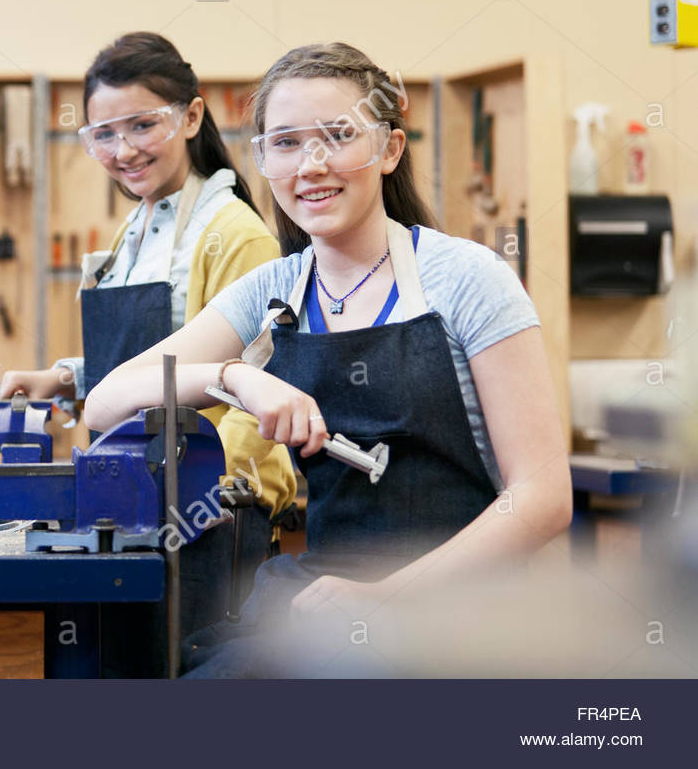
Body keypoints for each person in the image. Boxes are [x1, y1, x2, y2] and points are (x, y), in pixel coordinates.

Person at [83, 42, 572, 677]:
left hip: (465, 612)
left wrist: (387, 598)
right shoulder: (274, 290)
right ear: (263, 159)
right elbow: (105, 400)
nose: (311, 165)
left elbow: (543, 497)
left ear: (389, 150)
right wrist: (236, 380)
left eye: (338, 136)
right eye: (284, 143)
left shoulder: (466, 277)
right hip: (329, 600)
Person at [0, 33, 296, 659]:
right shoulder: (137, 230)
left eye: (141, 125)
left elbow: (259, 385)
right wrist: (65, 377)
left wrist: (212, 501)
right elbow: (149, 358)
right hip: (130, 504)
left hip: (207, 519)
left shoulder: (233, 234)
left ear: (191, 117)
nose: (122, 150)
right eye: (102, 134)